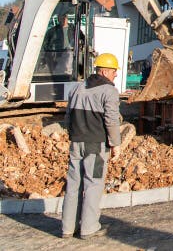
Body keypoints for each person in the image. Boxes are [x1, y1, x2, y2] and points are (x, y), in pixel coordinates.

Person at [61, 52, 121, 239]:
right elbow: (111, 120)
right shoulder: (109, 92)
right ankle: (89, 228)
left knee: (73, 185)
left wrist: (73, 136)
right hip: (95, 147)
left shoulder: (77, 89)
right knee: (94, 184)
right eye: (113, 71)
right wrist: (116, 144)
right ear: (104, 71)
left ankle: (67, 229)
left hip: (76, 144)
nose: (116, 75)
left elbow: (68, 118)